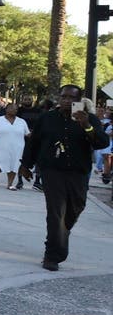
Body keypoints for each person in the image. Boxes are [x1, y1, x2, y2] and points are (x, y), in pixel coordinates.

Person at [20, 85, 109, 271]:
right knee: (56, 212)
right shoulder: (47, 118)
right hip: (52, 171)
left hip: (79, 172)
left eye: (71, 98)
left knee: (76, 207)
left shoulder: (89, 118)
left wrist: (86, 126)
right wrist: (25, 165)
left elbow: (102, 142)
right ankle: (52, 255)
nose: (67, 101)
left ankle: (60, 234)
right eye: (64, 97)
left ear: (79, 100)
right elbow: (34, 142)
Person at [0, 102, 30, 190]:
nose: (14, 110)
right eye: (12, 108)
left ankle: (10, 183)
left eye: (16, 109)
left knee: (14, 164)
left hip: (17, 148)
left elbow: (28, 134)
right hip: (2, 147)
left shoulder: (21, 122)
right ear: (6, 109)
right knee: (0, 162)